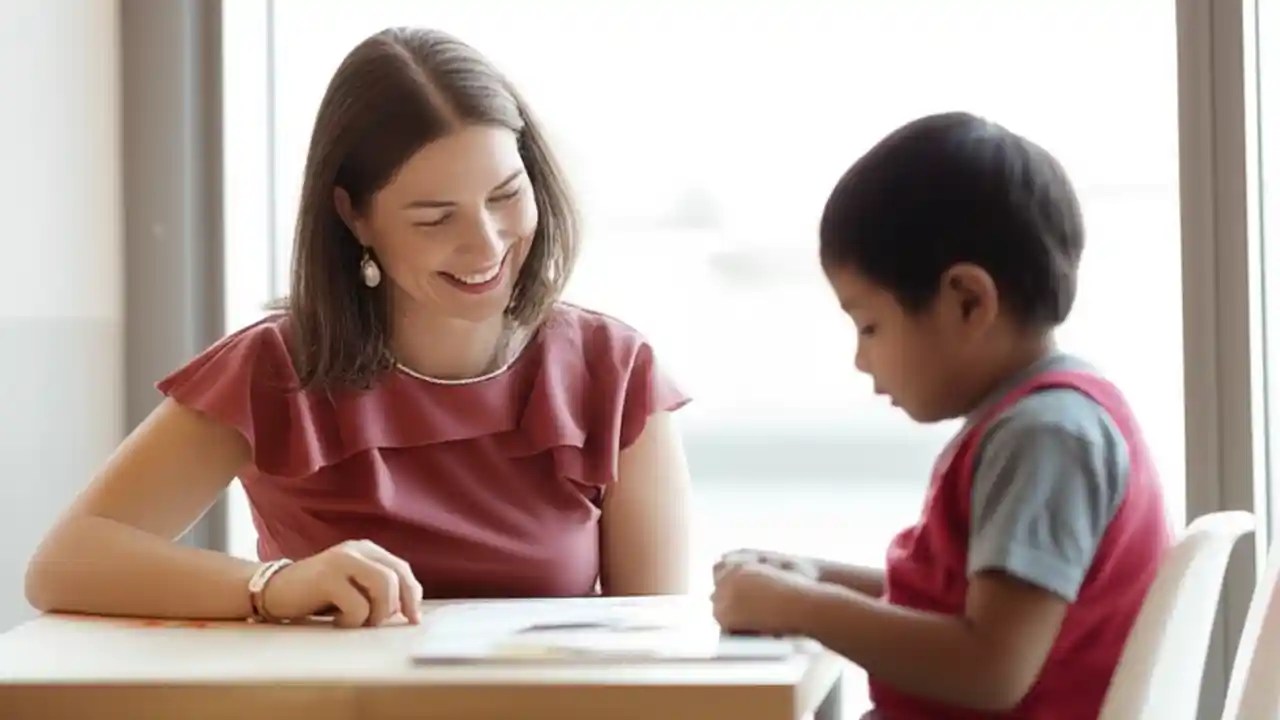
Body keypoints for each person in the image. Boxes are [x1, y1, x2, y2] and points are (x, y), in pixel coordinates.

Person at [25, 27, 693, 629]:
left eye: (506, 196)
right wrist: (274, 587)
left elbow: (655, 644)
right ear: (354, 217)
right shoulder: (277, 367)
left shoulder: (614, 370)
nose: (485, 244)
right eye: (435, 218)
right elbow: (62, 565)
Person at [711, 112, 1172, 719]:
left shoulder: (1046, 438)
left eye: (869, 325)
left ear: (967, 301)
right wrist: (815, 578)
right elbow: (958, 610)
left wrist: (798, 608)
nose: (860, 358)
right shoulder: (1048, 422)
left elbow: (990, 667)